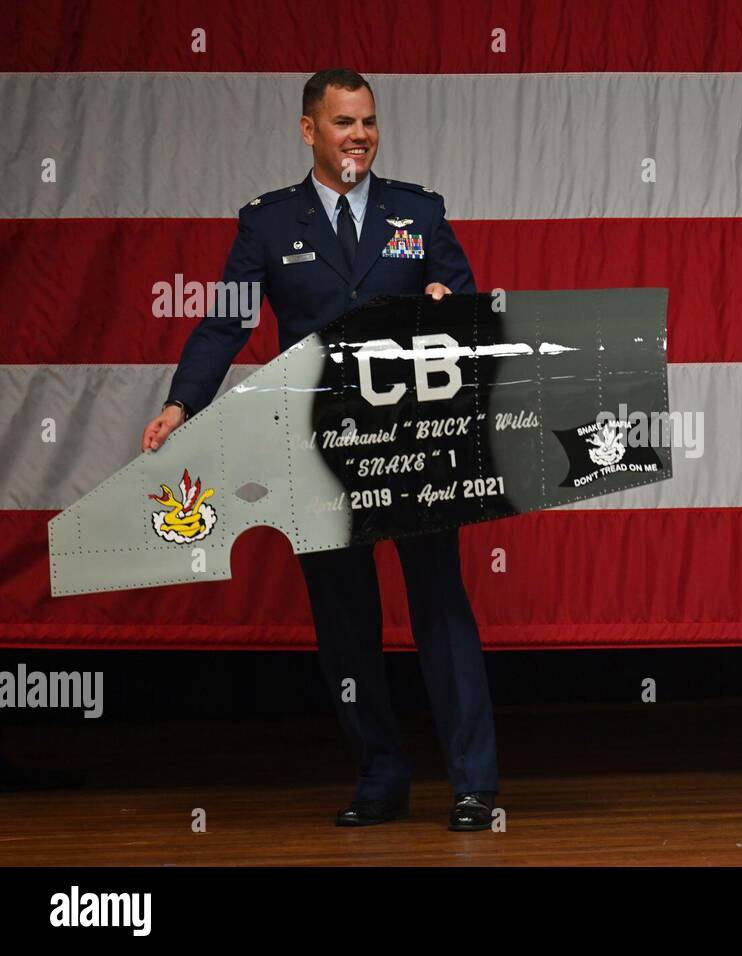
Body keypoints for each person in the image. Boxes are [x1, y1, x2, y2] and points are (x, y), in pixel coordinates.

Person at [140, 69, 499, 831]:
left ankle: (473, 783)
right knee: (345, 622)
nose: (359, 135)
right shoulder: (267, 225)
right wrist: (181, 405)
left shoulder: (419, 212)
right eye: (343, 123)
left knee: (439, 608)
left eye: (368, 121)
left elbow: (472, 314)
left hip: (414, 447)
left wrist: (453, 308)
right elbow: (223, 326)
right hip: (316, 452)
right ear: (310, 131)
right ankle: (381, 778)